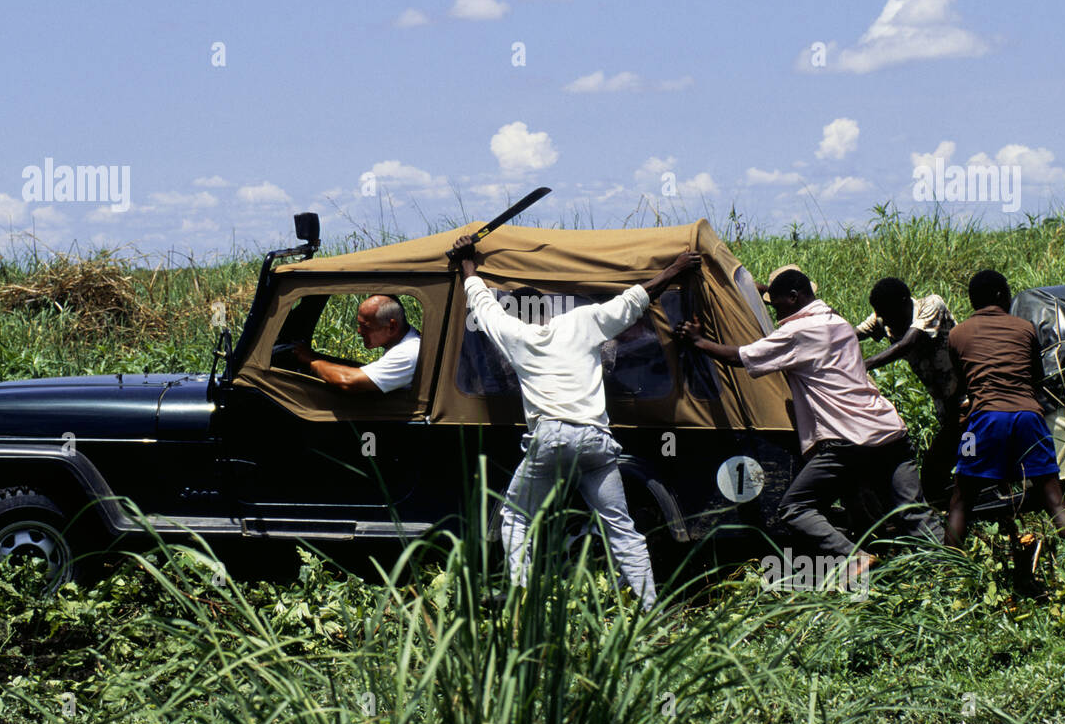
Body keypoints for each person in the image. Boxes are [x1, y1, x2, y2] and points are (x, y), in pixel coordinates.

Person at [451, 234, 702, 610]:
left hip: (552, 437)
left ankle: (521, 597)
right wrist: (675, 269)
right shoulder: (581, 324)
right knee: (621, 527)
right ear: (546, 311)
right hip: (596, 440)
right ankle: (649, 607)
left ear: (518, 316)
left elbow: (482, 302)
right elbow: (634, 300)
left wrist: (467, 263)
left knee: (516, 517)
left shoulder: (514, 336)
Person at [674, 267, 943, 575]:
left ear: (793, 297)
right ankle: (950, 570)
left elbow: (740, 357)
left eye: (778, 307)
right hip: (889, 429)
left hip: (847, 439)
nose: (777, 315)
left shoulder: (799, 331)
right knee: (913, 511)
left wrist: (698, 340)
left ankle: (854, 558)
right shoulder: (839, 323)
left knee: (795, 507)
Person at [945, 270, 1065, 585]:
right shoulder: (1025, 328)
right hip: (1028, 417)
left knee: (961, 499)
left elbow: (963, 385)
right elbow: (1036, 378)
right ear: (1002, 296)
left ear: (972, 301)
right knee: (1053, 496)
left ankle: (950, 575)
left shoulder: (957, 334)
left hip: (982, 422)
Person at [855, 278, 963, 502]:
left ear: (904, 302)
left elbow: (907, 344)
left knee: (968, 454)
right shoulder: (884, 316)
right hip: (944, 404)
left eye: (888, 314)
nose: (885, 321)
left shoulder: (931, 306)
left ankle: (995, 502)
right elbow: (851, 334)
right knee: (952, 462)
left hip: (966, 398)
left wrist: (863, 365)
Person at [292, 295, 421, 393]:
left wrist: (311, 360)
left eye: (366, 326)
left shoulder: (408, 353)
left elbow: (348, 381)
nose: (359, 331)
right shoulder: (403, 342)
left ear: (392, 327)